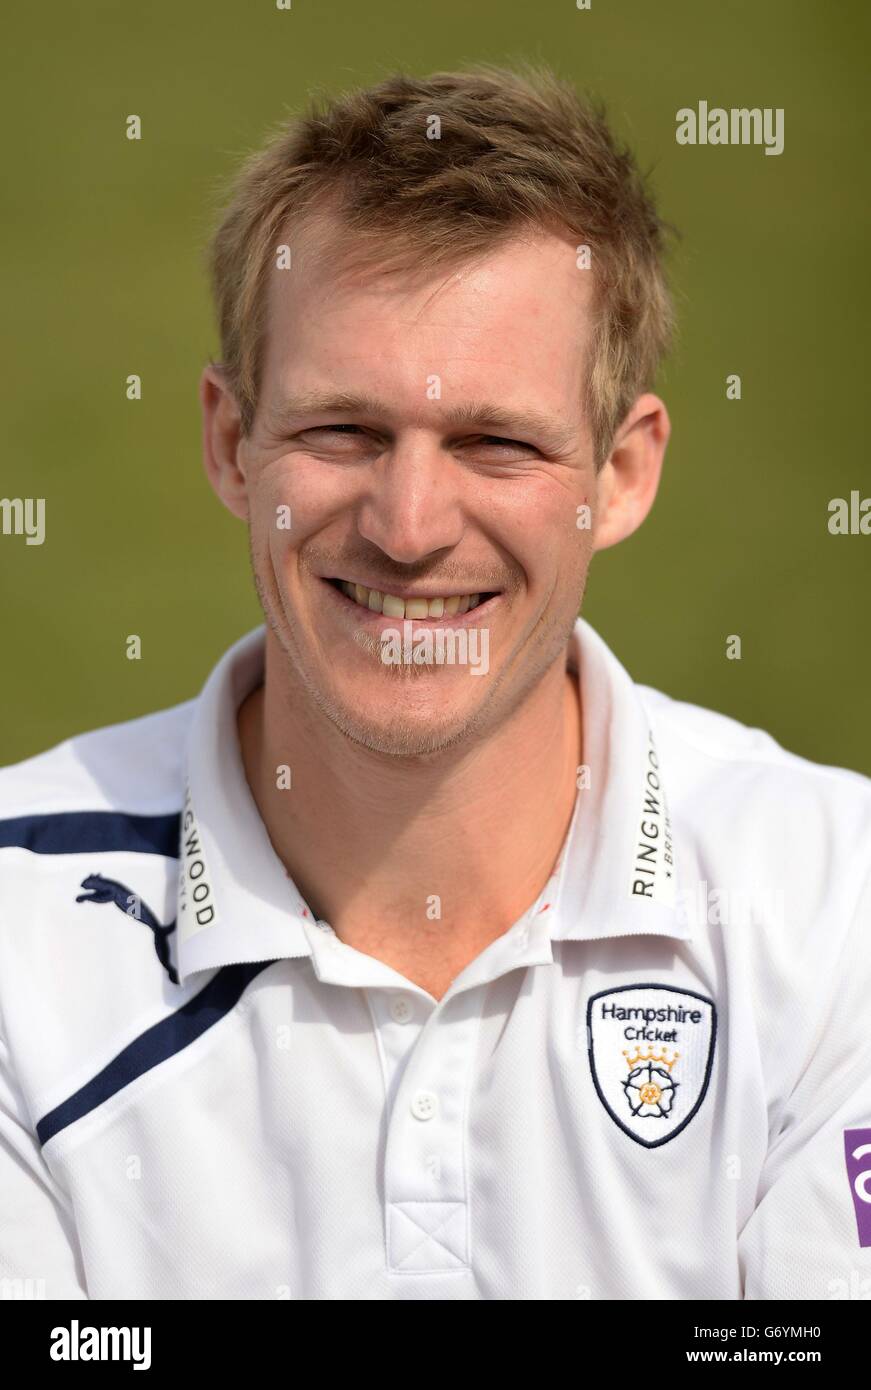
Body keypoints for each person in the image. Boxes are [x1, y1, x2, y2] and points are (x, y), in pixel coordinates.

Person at [1, 64, 869, 1301]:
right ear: (230, 443)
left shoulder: (837, 910)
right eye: (341, 431)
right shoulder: (16, 941)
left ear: (620, 475)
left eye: (495, 442)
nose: (408, 527)